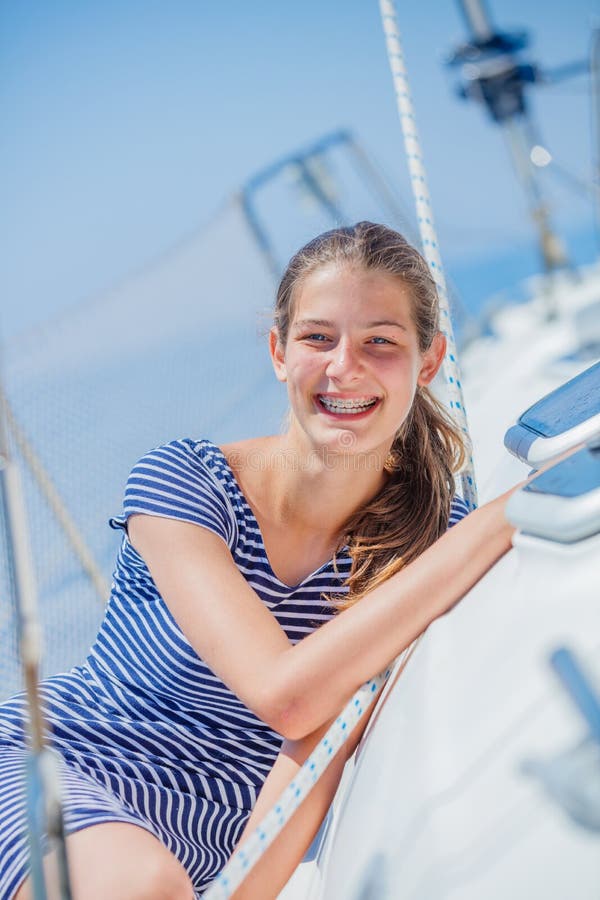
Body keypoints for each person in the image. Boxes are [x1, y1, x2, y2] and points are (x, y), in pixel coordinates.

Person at [0, 222, 517, 900]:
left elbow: (325, 736)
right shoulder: (185, 484)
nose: (344, 367)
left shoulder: (425, 542)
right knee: (138, 884)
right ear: (278, 352)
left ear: (428, 361)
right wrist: (497, 522)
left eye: (380, 342)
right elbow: (289, 697)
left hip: (203, 851)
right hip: (67, 768)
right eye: (317, 337)